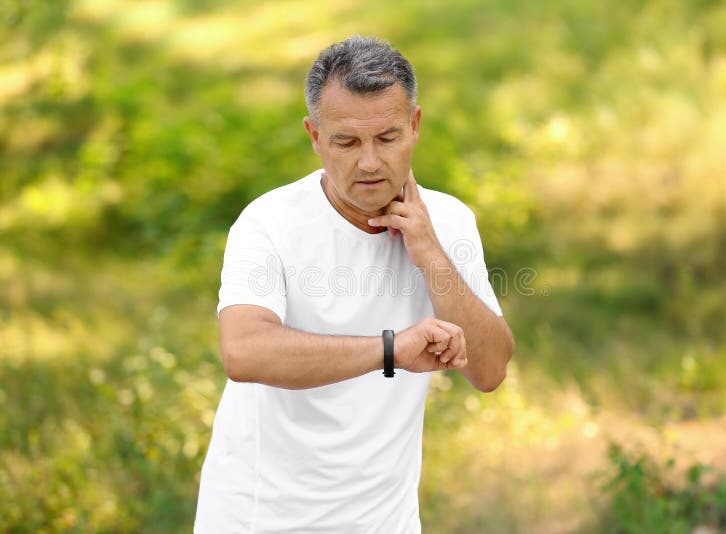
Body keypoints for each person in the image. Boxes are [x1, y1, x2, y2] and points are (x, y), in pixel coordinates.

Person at [194, 35, 514, 533]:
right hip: (260, 519)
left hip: (385, 521)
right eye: (346, 142)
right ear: (315, 136)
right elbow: (244, 351)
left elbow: (490, 369)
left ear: (414, 126)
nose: (369, 162)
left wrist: (430, 252)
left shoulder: (448, 222)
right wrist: (392, 350)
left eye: (386, 138)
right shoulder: (268, 223)